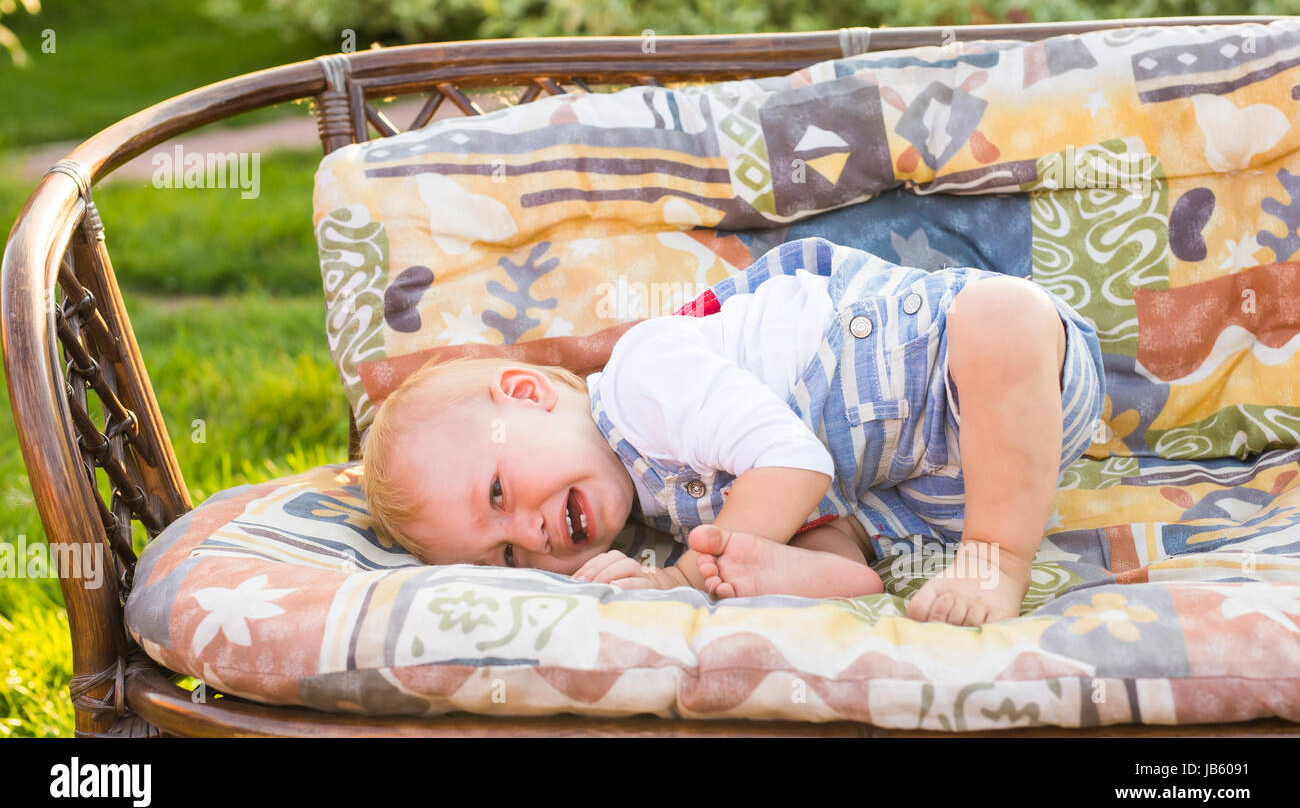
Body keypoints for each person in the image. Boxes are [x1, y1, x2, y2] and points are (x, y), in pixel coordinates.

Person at [361, 236, 1105, 626]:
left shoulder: (639, 381)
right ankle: (841, 564)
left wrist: (686, 579)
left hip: (946, 361)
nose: (533, 535)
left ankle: (997, 559)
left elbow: (794, 461)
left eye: (499, 493)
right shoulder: (660, 514)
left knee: (1002, 316)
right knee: (815, 539)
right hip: (933, 480)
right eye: (508, 557)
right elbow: (828, 530)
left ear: (525, 393)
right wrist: (744, 571)